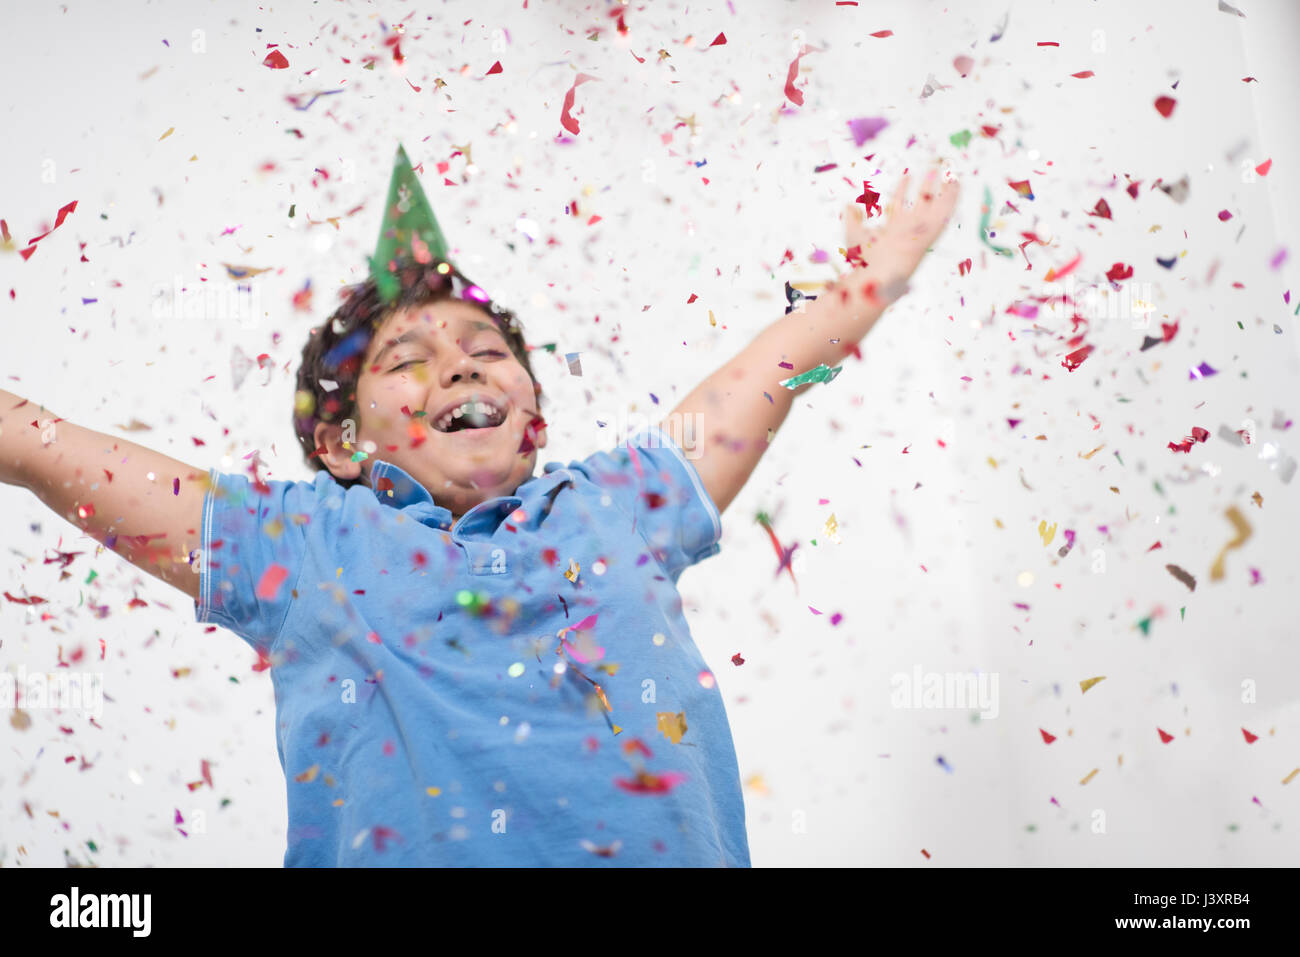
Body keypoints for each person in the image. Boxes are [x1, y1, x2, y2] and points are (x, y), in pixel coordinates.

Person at [0, 146, 958, 866]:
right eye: (406, 362)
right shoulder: (301, 538)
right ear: (341, 443)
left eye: (487, 350)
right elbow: (44, 446)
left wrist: (884, 263)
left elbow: (771, 371)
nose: (458, 361)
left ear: (533, 415)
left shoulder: (618, 502)